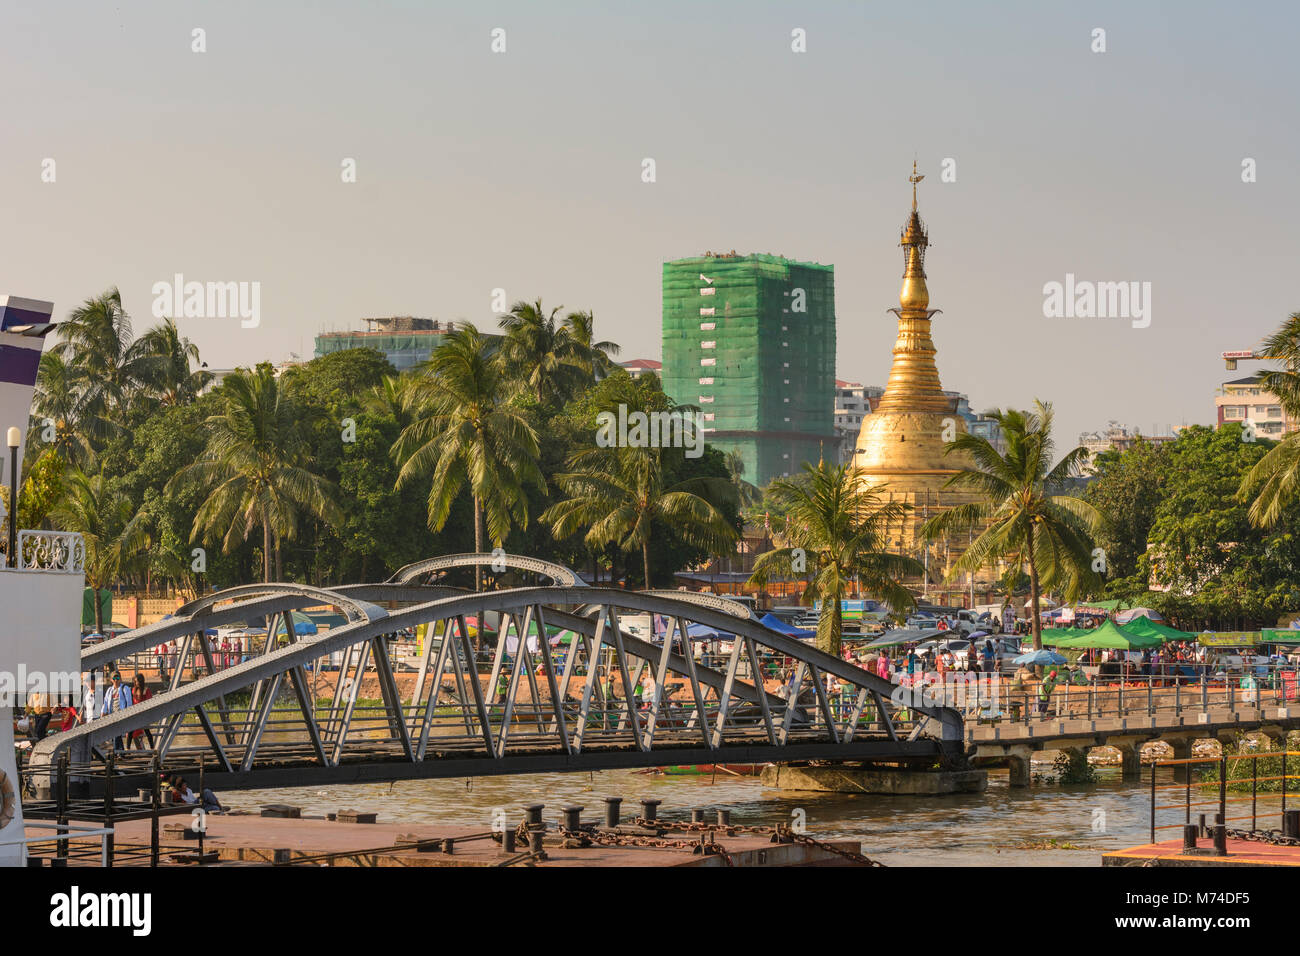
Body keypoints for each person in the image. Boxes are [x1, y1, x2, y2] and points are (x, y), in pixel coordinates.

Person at [101, 671, 133, 750]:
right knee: (116, 734)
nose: (116, 680)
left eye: (117, 678)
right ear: (111, 680)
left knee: (116, 733)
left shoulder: (125, 688)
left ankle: (115, 752)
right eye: (114, 678)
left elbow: (129, 702)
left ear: (120, 679)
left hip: (121, 714)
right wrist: (103, 713)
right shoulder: (109, 690)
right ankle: (120, 752)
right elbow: (105, 702)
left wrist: (128, 714)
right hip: (112, 715)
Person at [130, 674, 155, 749]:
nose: (136, 682)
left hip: (143, 714)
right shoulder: (134, 689)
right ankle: (138, 748)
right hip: (135, 713)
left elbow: (149, 701)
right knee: (133, 732)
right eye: (135, 681)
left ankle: (152, 748)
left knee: (147, 732)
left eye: (138, 681)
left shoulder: (146, 690)